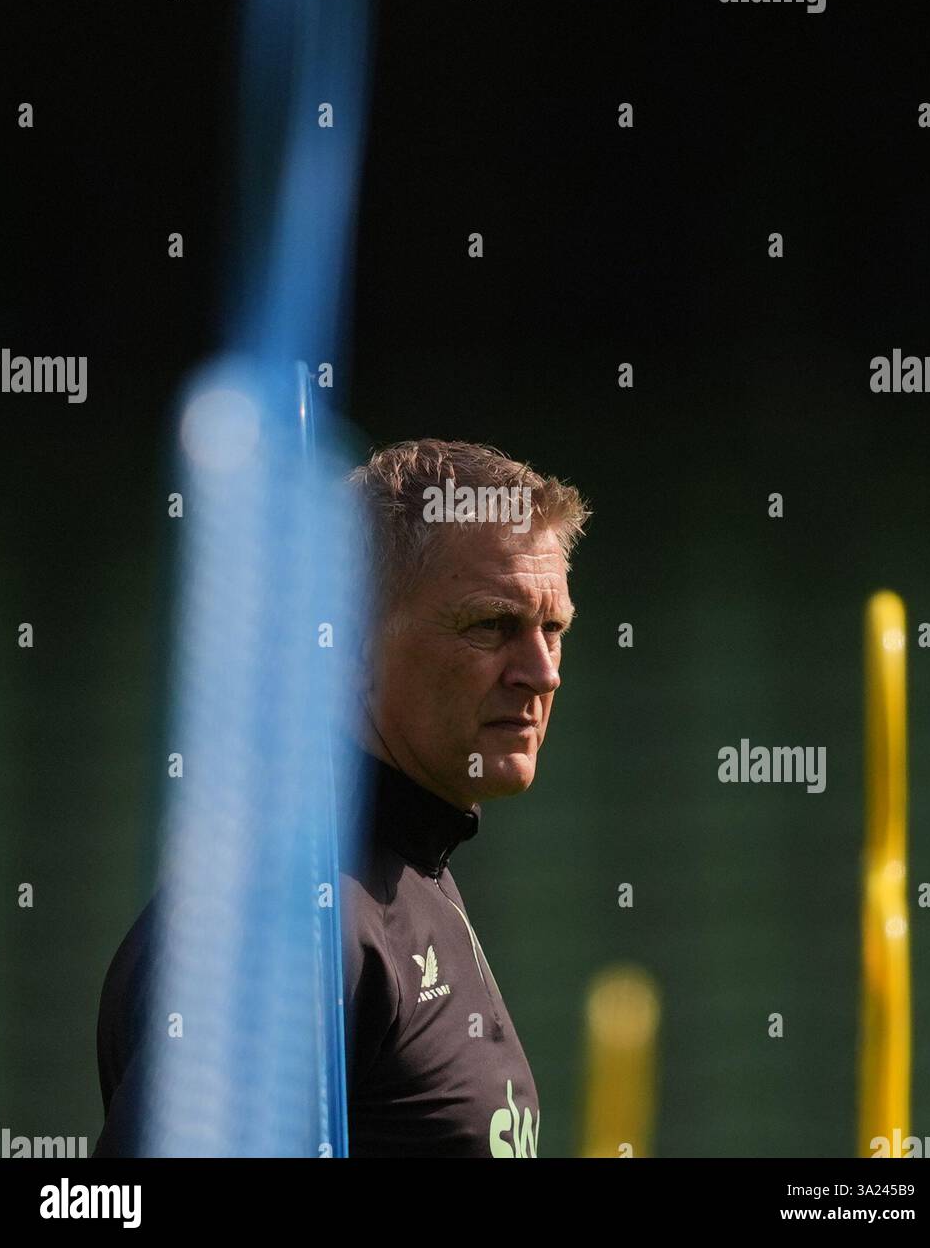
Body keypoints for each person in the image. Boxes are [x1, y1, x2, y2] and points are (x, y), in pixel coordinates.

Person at [93, 438, 589, 1158]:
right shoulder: (290, 918)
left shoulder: (412, 872)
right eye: (491, 625)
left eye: (553, 630)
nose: (541, 674)